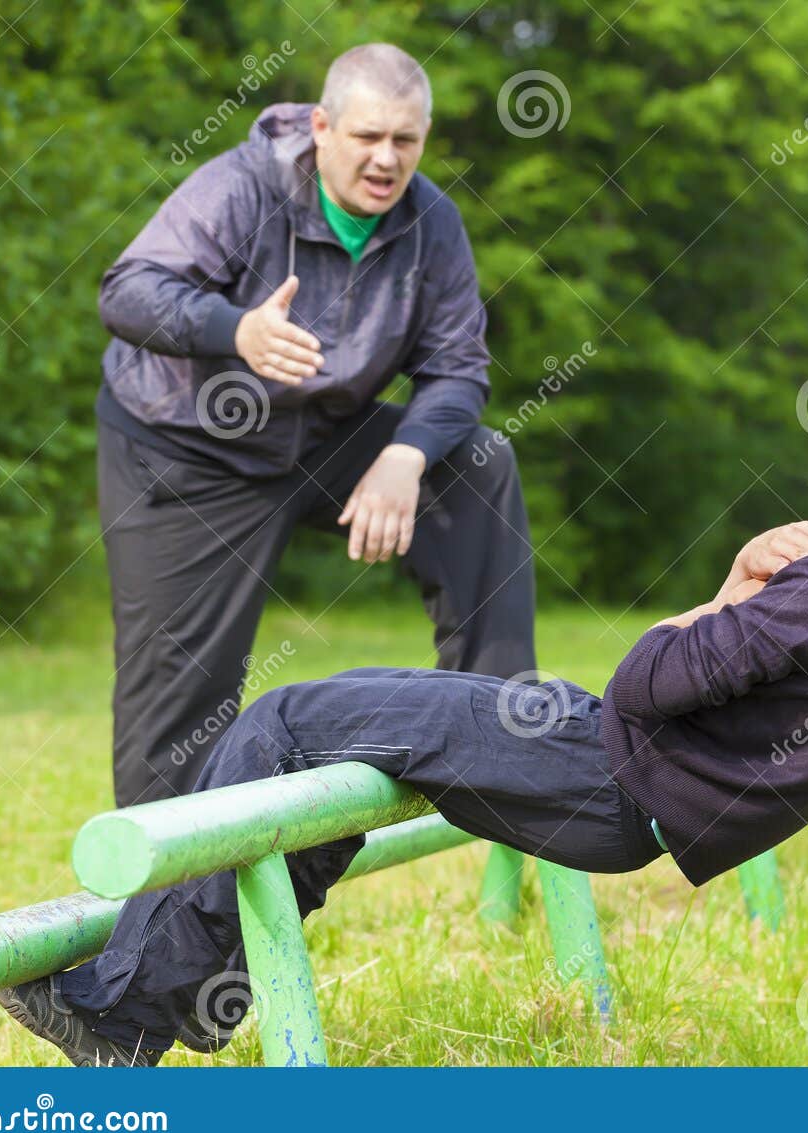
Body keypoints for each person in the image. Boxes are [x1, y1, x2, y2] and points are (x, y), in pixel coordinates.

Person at [0, 349, 808, 1066]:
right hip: (619, 779)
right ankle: (193, 987)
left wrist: (731, 584)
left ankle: (124, 1016)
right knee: (342, 758)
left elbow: (646, 678)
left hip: (601, 767)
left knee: (287, 721)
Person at [96, 42, 534, 807]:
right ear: (323, 127)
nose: (386, 160)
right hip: (191, 452)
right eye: (368, 137)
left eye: (406, 140)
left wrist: (406, 454)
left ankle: (493, 729)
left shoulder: (432, 221)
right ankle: (158, 914)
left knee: (475, 460)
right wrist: (233, 329)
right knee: (179, 707)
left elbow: (459, 367)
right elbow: (128, 289)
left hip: (324, 435)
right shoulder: (240, 186)